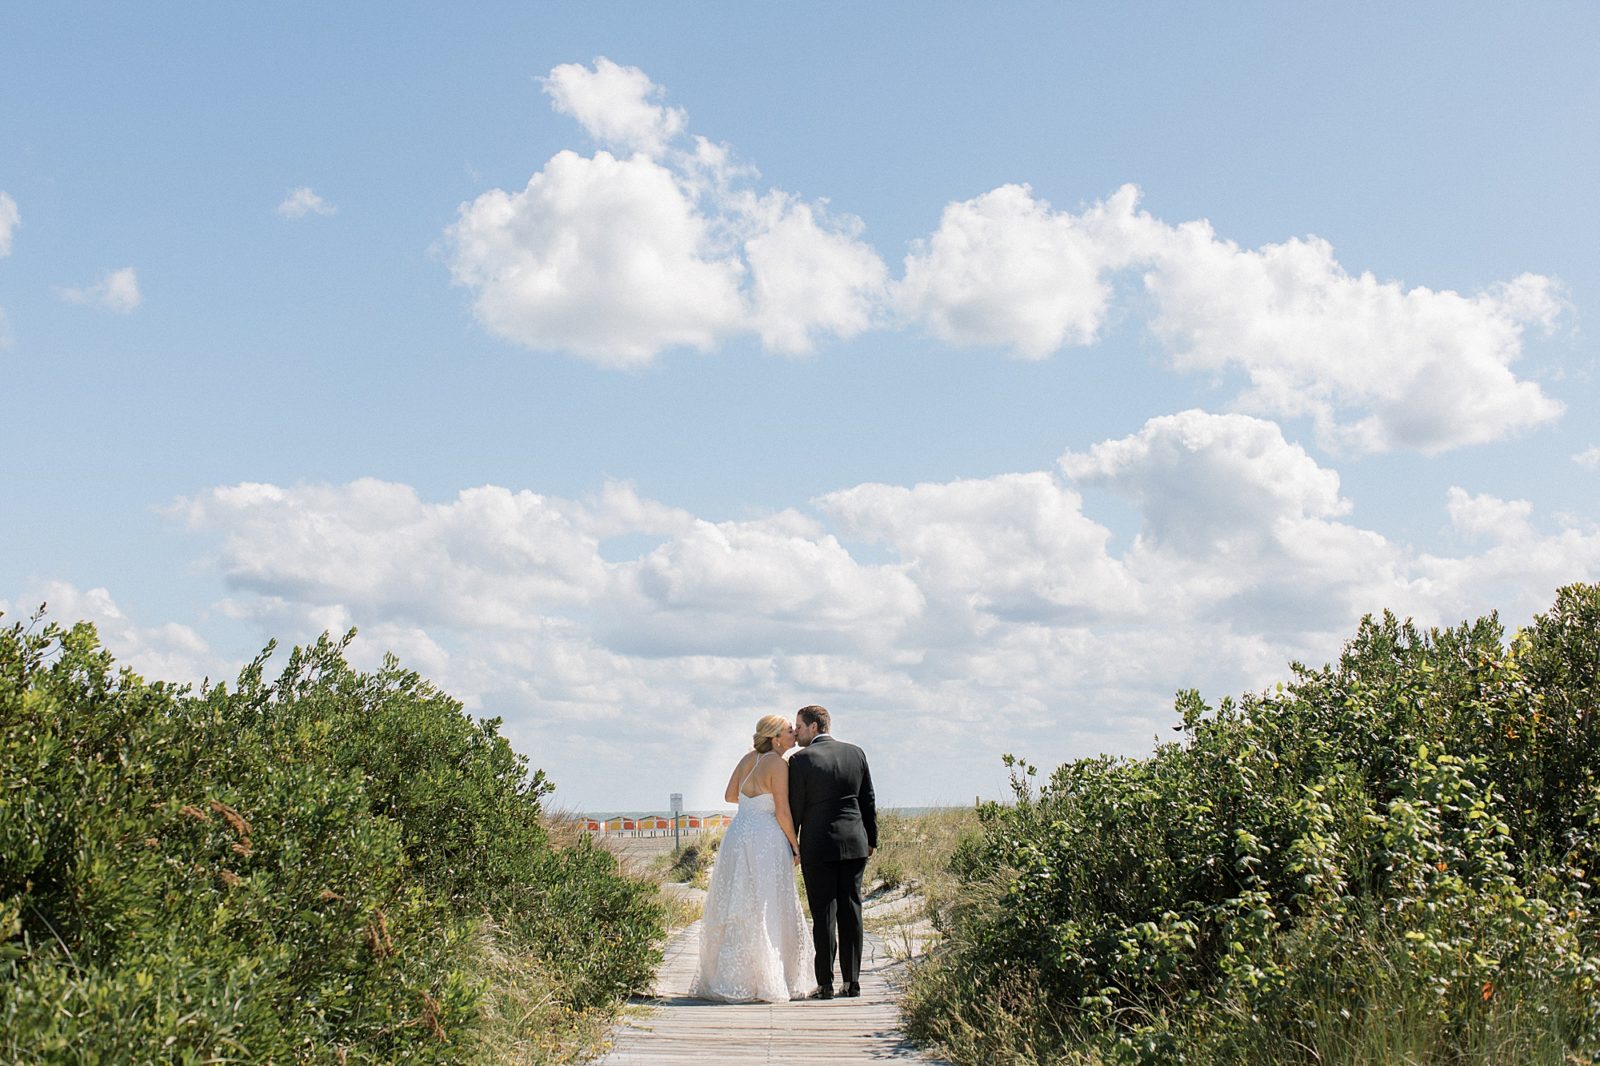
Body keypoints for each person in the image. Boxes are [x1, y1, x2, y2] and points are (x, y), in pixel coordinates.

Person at [690, 714, 817, 1002]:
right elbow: (783, 811)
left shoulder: (748, 758)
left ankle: (735, 977)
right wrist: (795, 845)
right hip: (765, 836)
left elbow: (730, 795)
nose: (794, 735)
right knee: (766, 902)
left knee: (742, 900)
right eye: (788, 731)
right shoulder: (778, 764)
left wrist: (754, 801)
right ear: (775, 739)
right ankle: (769, 977)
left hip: (738, 833)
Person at [787, 704, 877, 999]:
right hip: (854, 842)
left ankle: (824, 983)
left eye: (799, 726)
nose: (796, 732)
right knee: (852, 910)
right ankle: (852, 982)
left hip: (818, 844)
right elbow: (868, 800)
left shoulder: (800, 760)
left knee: (823, 913)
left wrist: (793, 845)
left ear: (814, 727)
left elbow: (796, 808)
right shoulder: (856, 753)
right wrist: (871, 839)